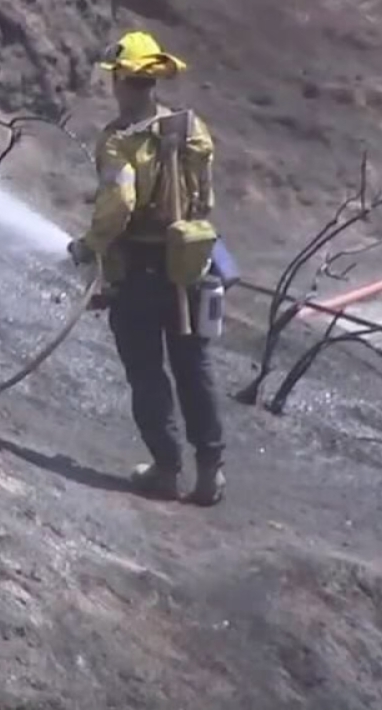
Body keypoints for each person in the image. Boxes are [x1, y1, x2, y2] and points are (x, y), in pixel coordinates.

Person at [67, 30, 227, 506]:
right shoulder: (192, 128)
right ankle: (210, 474)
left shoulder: (120, 141)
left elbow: (119, 204)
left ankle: (166, 469)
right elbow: (208, 198)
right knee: (194, 366)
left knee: (148, 372)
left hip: (140, 270)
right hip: (191, 264)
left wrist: (88, 247)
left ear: (122, 79)